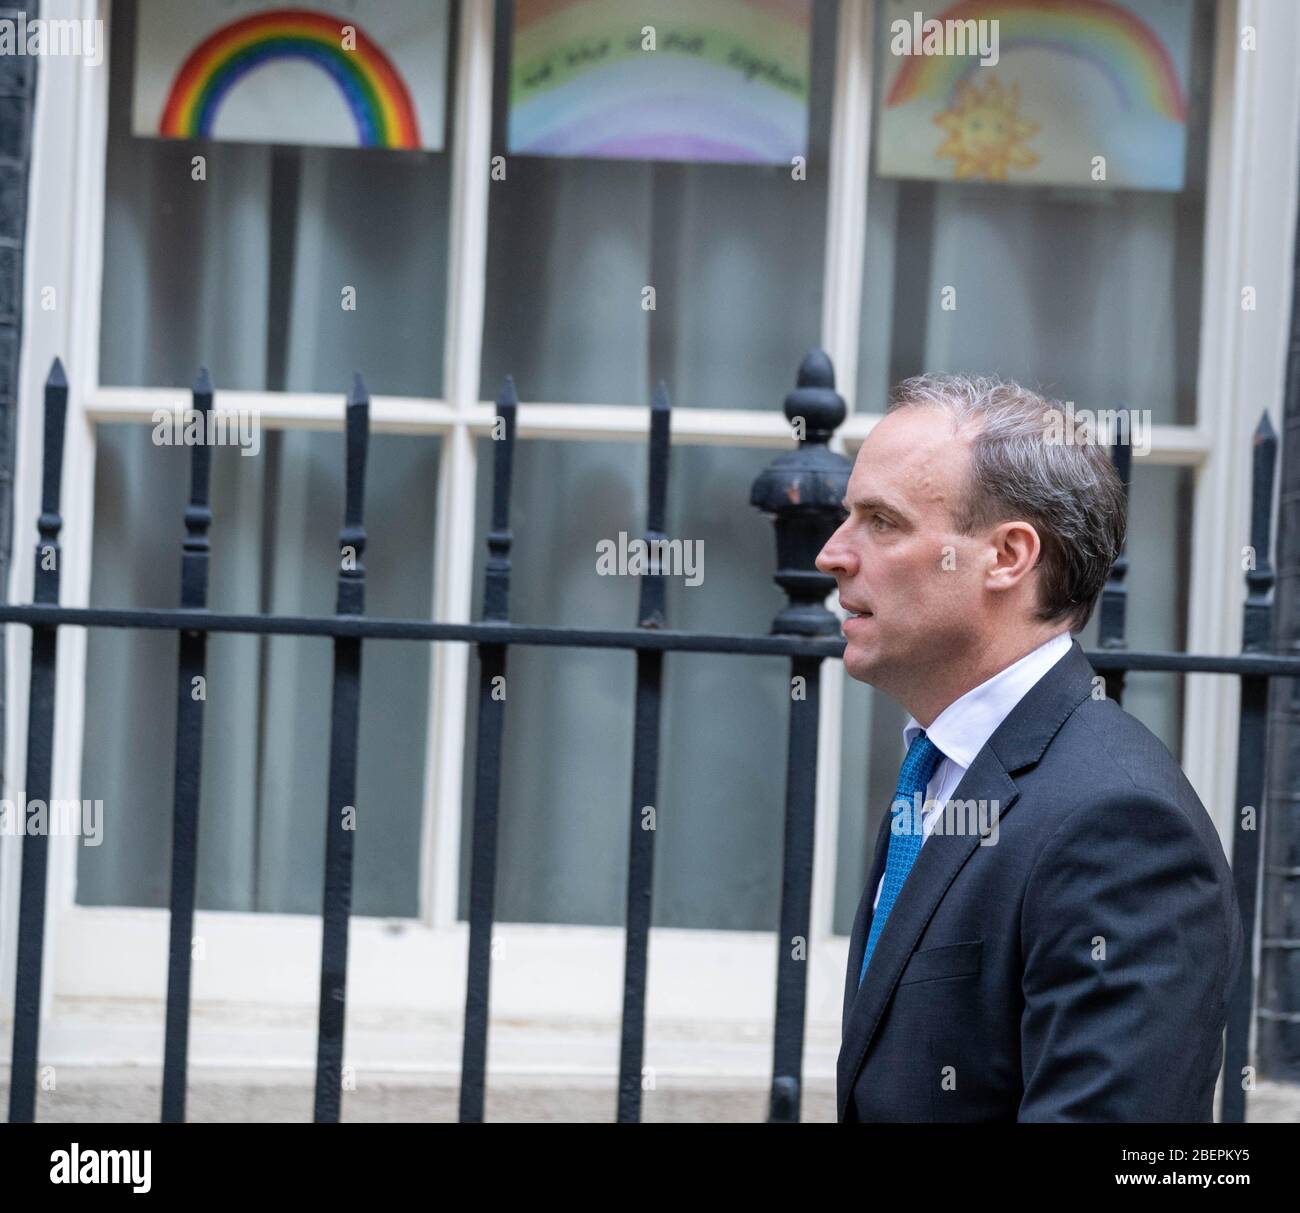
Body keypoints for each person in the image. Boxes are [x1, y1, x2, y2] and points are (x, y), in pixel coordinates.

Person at [815, 374, 1242, 1122]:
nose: (832, 553)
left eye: (882, 521)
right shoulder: (942, 764)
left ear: (1008, 555)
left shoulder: (1120, 823)